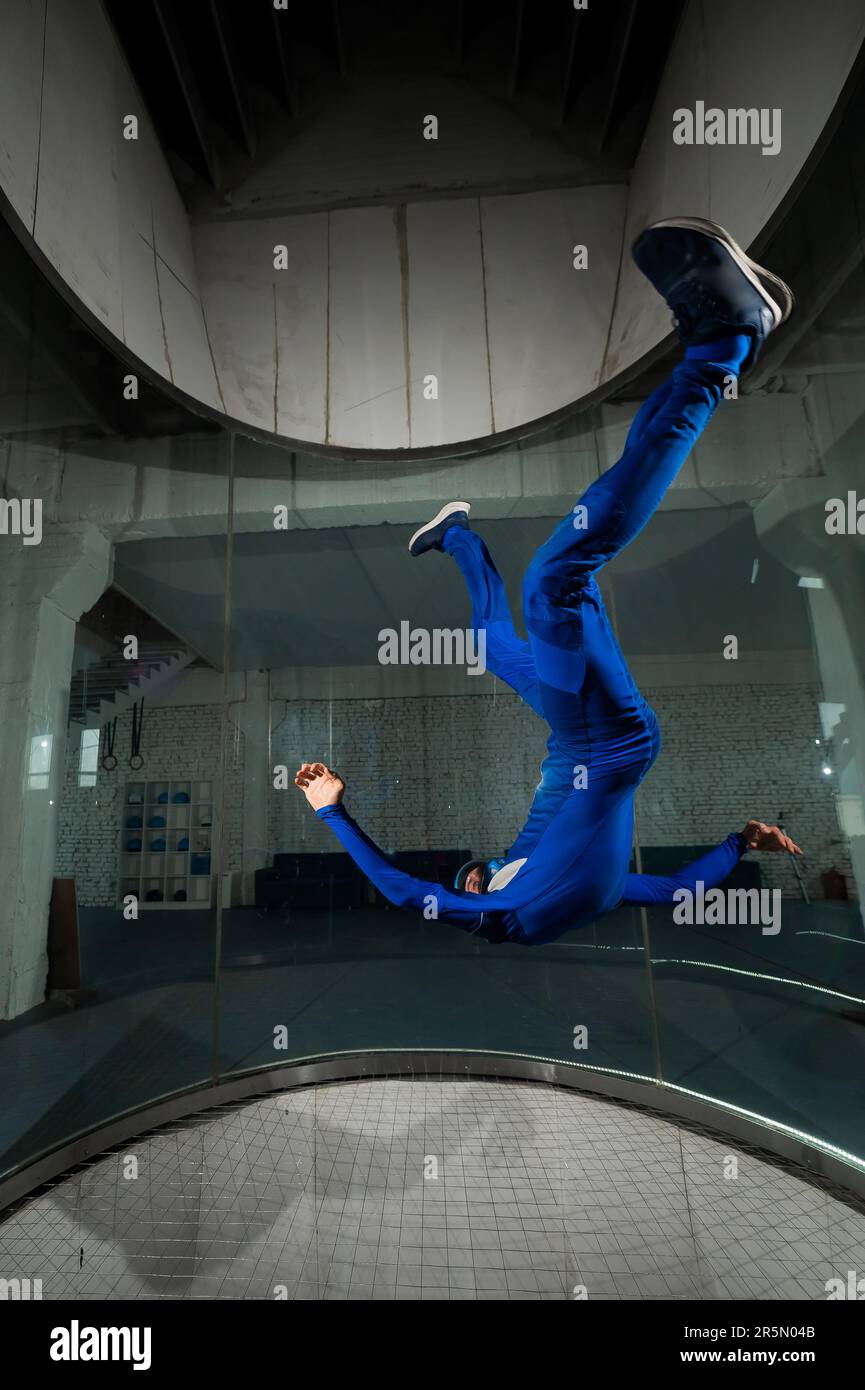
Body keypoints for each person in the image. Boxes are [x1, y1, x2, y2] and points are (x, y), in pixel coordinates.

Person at [295, 218, 803, 946]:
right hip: (605, 744)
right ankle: (726, 346)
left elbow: (667, 891)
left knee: (496, 646)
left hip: (574, 732)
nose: (472, 878)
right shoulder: (511, 910)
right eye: (472, 885)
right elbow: (403, 893)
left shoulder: (531, 878)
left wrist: (738, 842)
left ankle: (459, 534)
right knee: (554, 582)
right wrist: (331, 810)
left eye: (472, 874)